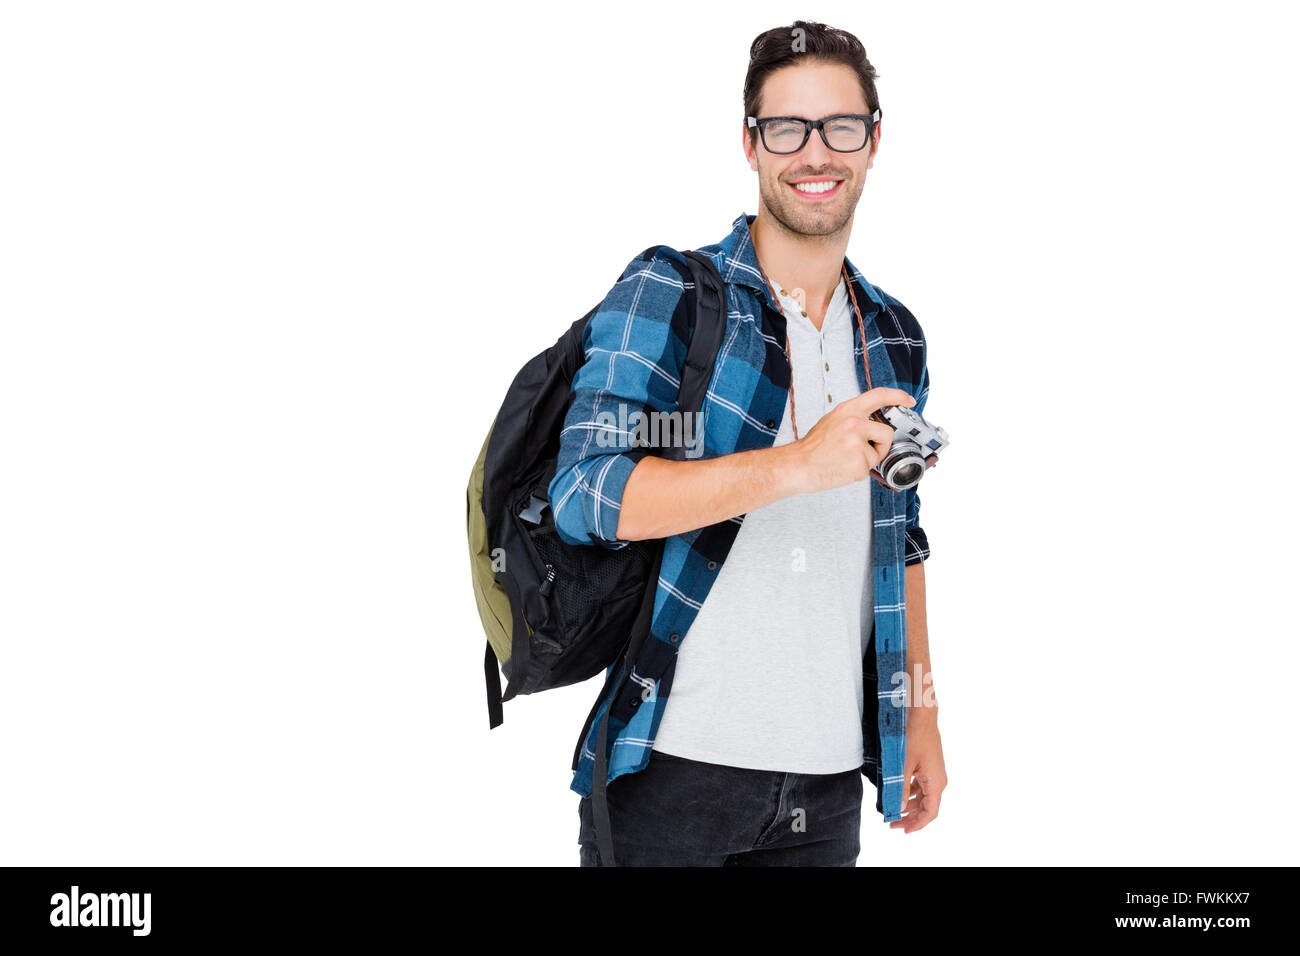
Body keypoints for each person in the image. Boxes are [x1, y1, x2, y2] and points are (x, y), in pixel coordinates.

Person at [548, 19, 947, 866]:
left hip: (828, 783)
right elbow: (587, 488)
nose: (816, 153)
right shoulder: (676, 295)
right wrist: (796, 465)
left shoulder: (895, 337)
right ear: (750, 142)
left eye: (841, 127)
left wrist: (921, 713)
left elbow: (901, 538)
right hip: (671, 772)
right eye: (787, 128)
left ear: (874, 143)